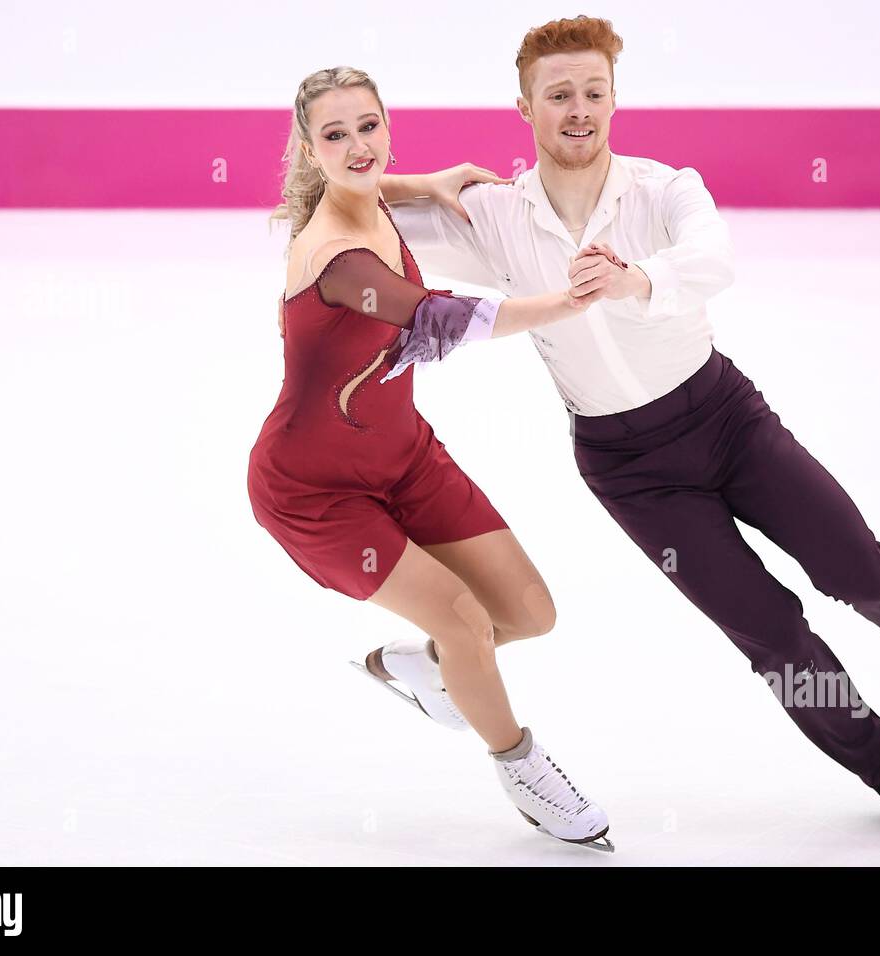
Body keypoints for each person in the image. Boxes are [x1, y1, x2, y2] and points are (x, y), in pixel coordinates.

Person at [376, 15, 880, 830]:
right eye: (558, 96)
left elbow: (713, 256)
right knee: (771, 634)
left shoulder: (663, 189)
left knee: (856, 569)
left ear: (616, 99)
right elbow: (337, 206)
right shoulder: (495, 218)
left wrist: (635, 281)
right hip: (631, 471)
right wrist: (415, 181)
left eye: (593, 92)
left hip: (727, 421)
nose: (578, 109)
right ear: (524, 108)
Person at [248, 66, 619, 850]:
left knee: (526, 613)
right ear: (310, 150)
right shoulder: (336, 256)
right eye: (336, 135)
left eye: (369, 126)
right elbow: (438, 319)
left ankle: (417, 665)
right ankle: (522, 767)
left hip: (404, 457)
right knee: (463, 619)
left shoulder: (370, 193)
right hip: (314, 489)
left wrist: (430, 181)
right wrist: (568, 302)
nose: (358, 147)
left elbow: (376, 182)